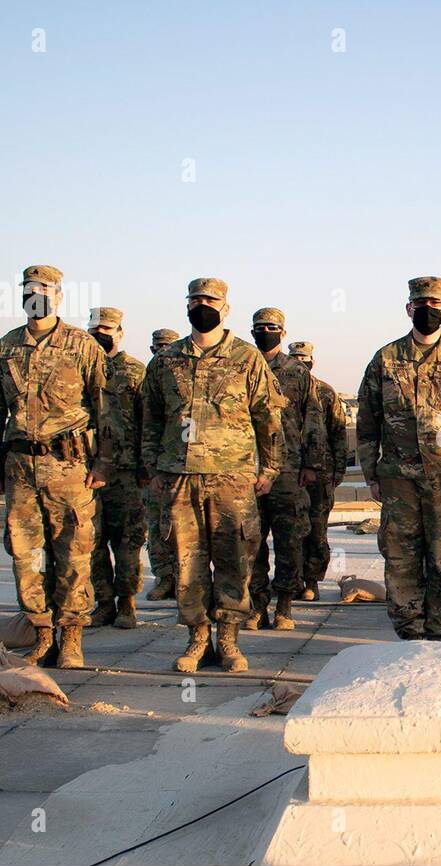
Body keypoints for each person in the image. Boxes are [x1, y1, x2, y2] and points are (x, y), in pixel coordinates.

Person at [141, 278, 284, 673]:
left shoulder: (247, 359)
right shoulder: (166, 361)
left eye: (210, 300)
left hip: (232, 478)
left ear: (226, 307)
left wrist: (269, 468)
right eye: (196, 299)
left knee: (235, 558)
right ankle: (197, 638)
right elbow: (149, 419)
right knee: (187, 559)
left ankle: (230, 640)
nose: (202, 305)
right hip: (180, 477)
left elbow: (268, 418)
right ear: (186, 304)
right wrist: (152, 467)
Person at [0, 264, 111, 668]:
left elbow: (108, 408)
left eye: (44, 288)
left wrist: (104, 462)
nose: (36, 294)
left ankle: (71, 637)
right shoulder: (5, 349)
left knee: (73, 551)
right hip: (20, 467)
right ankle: (41, 633)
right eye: (29, 288)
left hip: (69, 465)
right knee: (26, 553)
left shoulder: (81, 345)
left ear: (59, 295)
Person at [355, 276, 441, 641]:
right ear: (408, 309)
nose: (428, 312)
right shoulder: (385, 360)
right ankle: (409, 631)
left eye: (435, 306)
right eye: (421, 306)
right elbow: (367, 422)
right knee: (401, 556)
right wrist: (371, 474)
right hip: (398, 478)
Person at [248, 308, 325, 629]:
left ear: (283, 331)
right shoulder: (242, 366)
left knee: (289, 539)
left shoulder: (297, 372)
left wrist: (312, 464)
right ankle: (256, 604)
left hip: (289, 470)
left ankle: (284, 604)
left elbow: (314, 419)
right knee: (250, 541)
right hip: (248, 468)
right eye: (259, 327)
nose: (265, 331)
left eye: (272, 327)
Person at [86, 307, 147, 630]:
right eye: (94, 327)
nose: (100, 333)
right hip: (86, 470)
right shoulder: (78, 368)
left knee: (127, 542)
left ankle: (127, 603)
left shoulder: (135, 372)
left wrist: (146, 467)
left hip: (125, 471)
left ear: (120, 332)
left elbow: (148, 422)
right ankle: (103, 602)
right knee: (92, 542)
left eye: (107, 328)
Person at [288, 341, 348, 601]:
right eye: (295, 357)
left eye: (304, 357)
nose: (300, 361)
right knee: (288, 530)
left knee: (316, 530)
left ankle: (311, 580)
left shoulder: (325, 392)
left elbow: (338, 434)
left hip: (320, 474)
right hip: (287, 471)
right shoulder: (276, 388)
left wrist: (338, 472)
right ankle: (290, 580)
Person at [143, 328, 181, 600]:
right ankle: (164, 577)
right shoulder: (149, 376)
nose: (162, 351)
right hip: (157, 464)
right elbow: (147, 424)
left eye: (168, 346)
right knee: (157, 526)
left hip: (181, 464)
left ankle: (185, 580)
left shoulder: (181, 376)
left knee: (184, 528)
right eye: (158, 346)